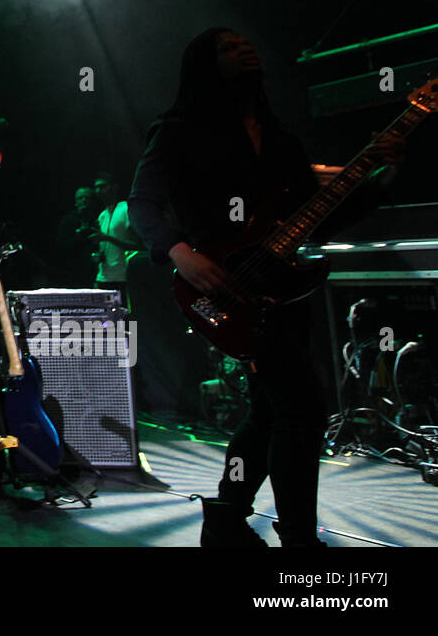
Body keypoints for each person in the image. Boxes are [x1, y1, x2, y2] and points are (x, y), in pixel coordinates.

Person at [128, 28, 402, 547]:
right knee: (301, 409)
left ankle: (227, 514)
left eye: (248, 42)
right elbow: (142, 202)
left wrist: (383, 176)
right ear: (205, 65)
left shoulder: (280, 139)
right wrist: (180, 254)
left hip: (282, 289)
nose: (246, 47)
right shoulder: (178, 130)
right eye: (229, 47)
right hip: (222, 284)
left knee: (271, 409)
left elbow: (321, 215)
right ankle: (298, 538)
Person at [92, 170, 141, 304]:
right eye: (96, 187)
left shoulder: (126, 208)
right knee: (106, 322)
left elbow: (139, 245)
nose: (98, 190)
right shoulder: (102, 215)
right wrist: (97, 255)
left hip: (123, 278)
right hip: (103, 278)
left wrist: (107, 238)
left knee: (125, 320)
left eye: (102, 186)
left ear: (114, 187)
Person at [53, 185, 100, 286]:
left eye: (87, 197)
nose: (84, 200)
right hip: (73, 272)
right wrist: (78, 236)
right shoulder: (68, 220)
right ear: (76, 202)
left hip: (95, 271)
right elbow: (60, 246)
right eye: (80, 198)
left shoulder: (99, 218)